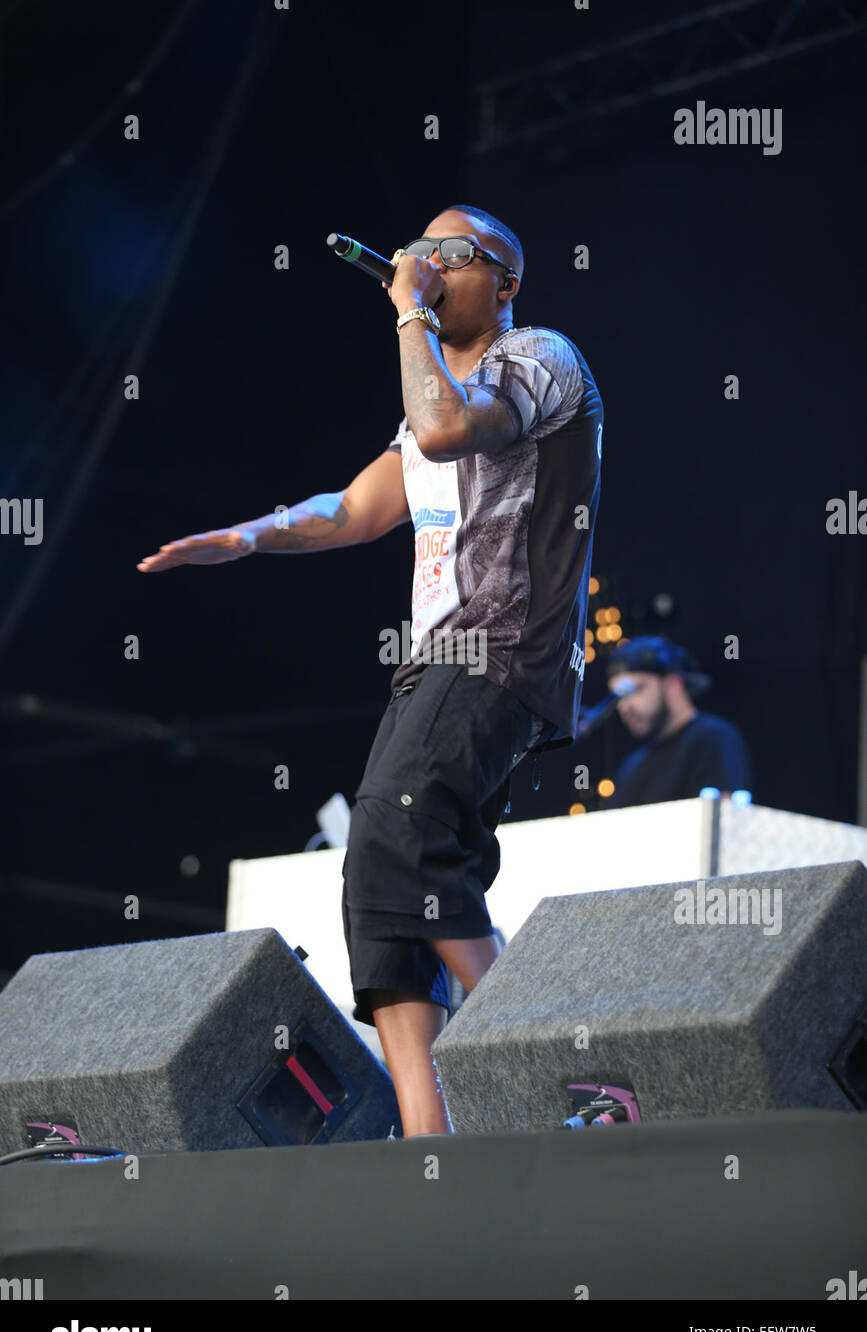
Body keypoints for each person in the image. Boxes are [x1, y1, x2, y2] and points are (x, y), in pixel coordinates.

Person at [138, 203, 603, 1137]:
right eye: (418, 254)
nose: (428, 266)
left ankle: (558, 1059)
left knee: (401, 837)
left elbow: (442, 435)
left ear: (505, 283)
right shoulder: (429, 386)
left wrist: (407, 312)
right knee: (379, 896)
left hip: (500, 645)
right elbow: (356, 508)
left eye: (452, 256)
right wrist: (249, 534)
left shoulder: (539, 357)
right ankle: (430, 1143)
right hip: (433, 662)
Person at [603, 636, 751, 809]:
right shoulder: (632, 765)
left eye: (634, 690)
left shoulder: (713, 737)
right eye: (618, 697)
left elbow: (722, 820)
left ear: (673, 685)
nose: (624, 706)